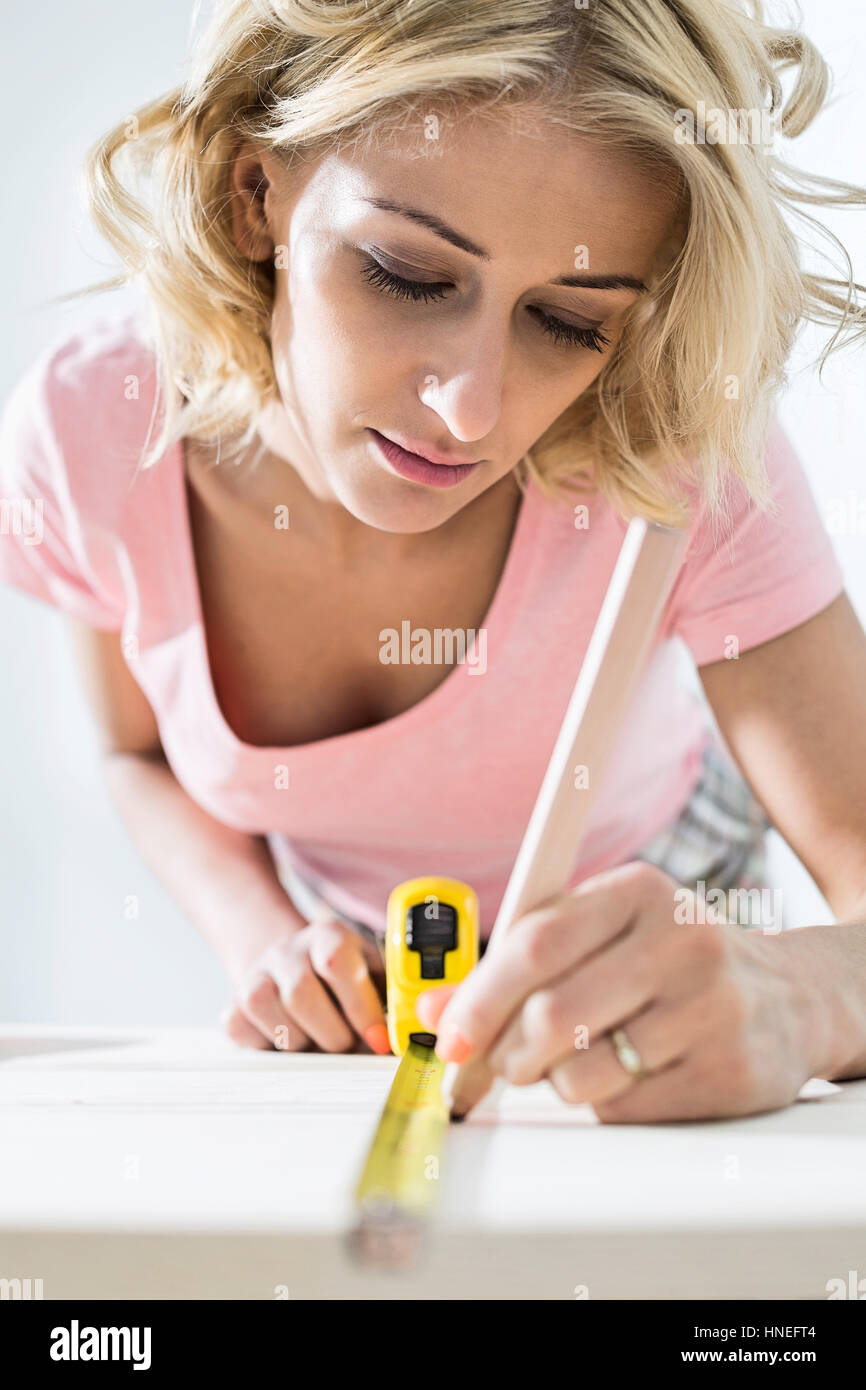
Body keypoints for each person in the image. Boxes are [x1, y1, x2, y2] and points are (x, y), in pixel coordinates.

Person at [2, 0, 866, 1122]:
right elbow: (139, 756)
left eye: (565, 321)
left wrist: (802, 997)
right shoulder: (92, 427)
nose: (467, 409)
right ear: (253, 192)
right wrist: (267, 938)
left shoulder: (683, 458)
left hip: (663, 914)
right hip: (360, 955)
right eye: (407, 276)